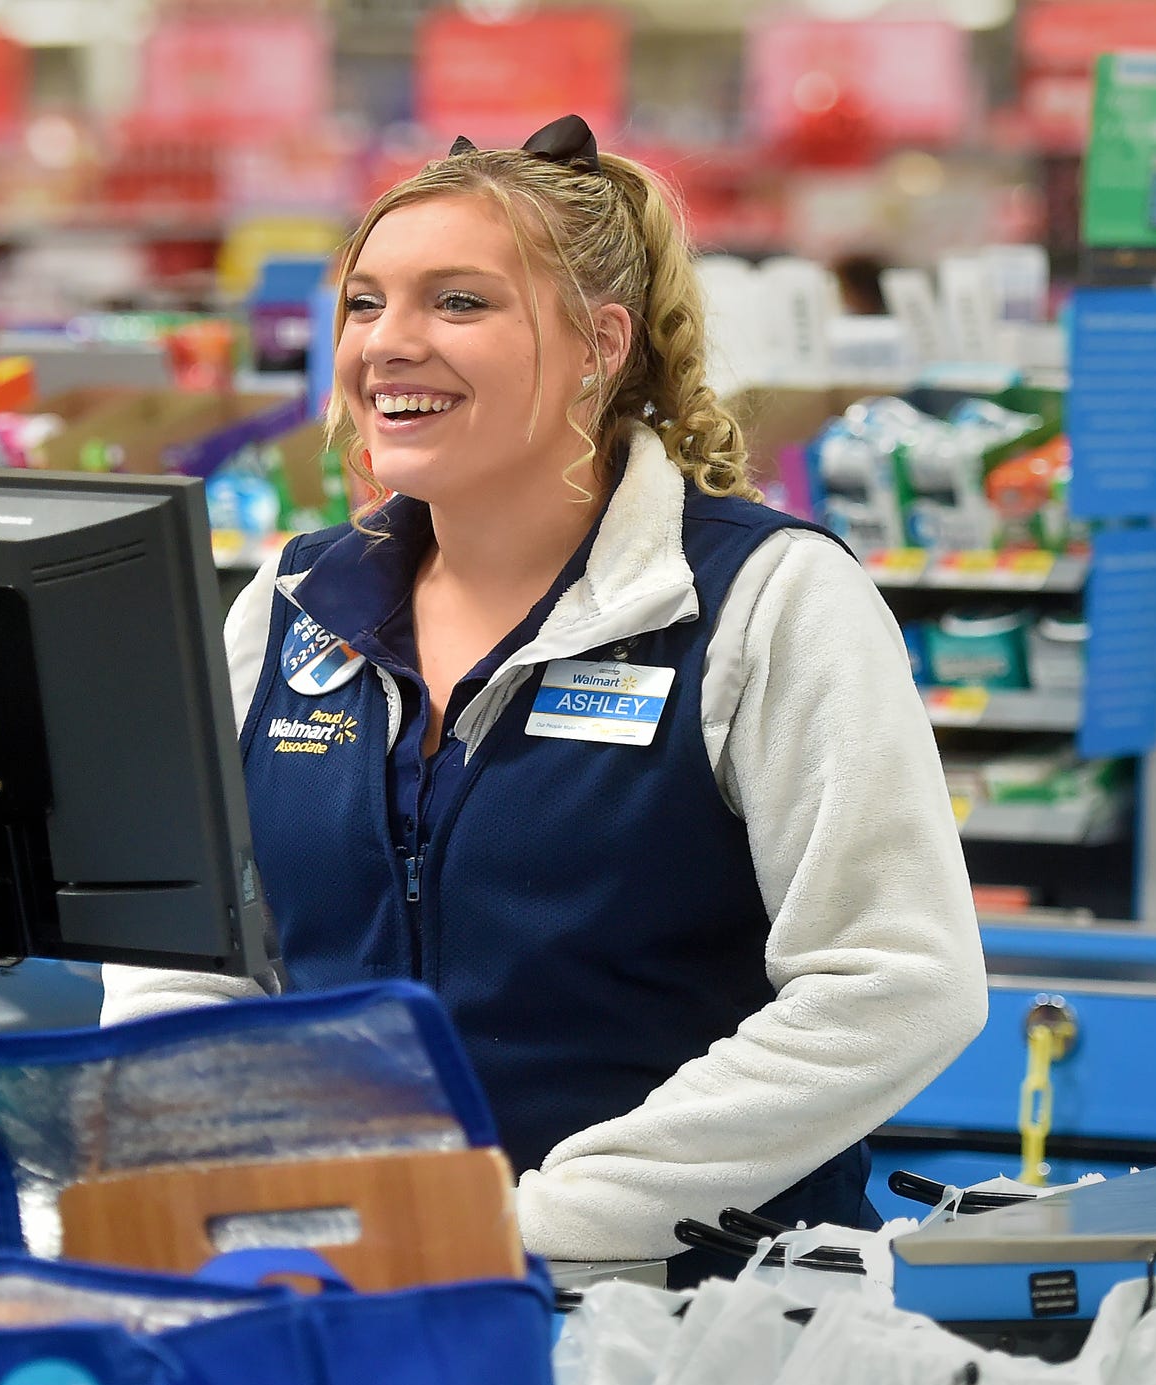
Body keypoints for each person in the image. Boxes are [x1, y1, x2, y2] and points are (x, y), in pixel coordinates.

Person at [104, 118, 986, 1261]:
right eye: (364, 303)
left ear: (598, 345)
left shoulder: (762, 602)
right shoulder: (290, 603)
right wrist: (221, 1183)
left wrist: (540, 1225)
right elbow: (186, 959)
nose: (388, 344)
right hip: (347, 1286)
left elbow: (893, 982)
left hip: (692, 1321)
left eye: (458, 303)